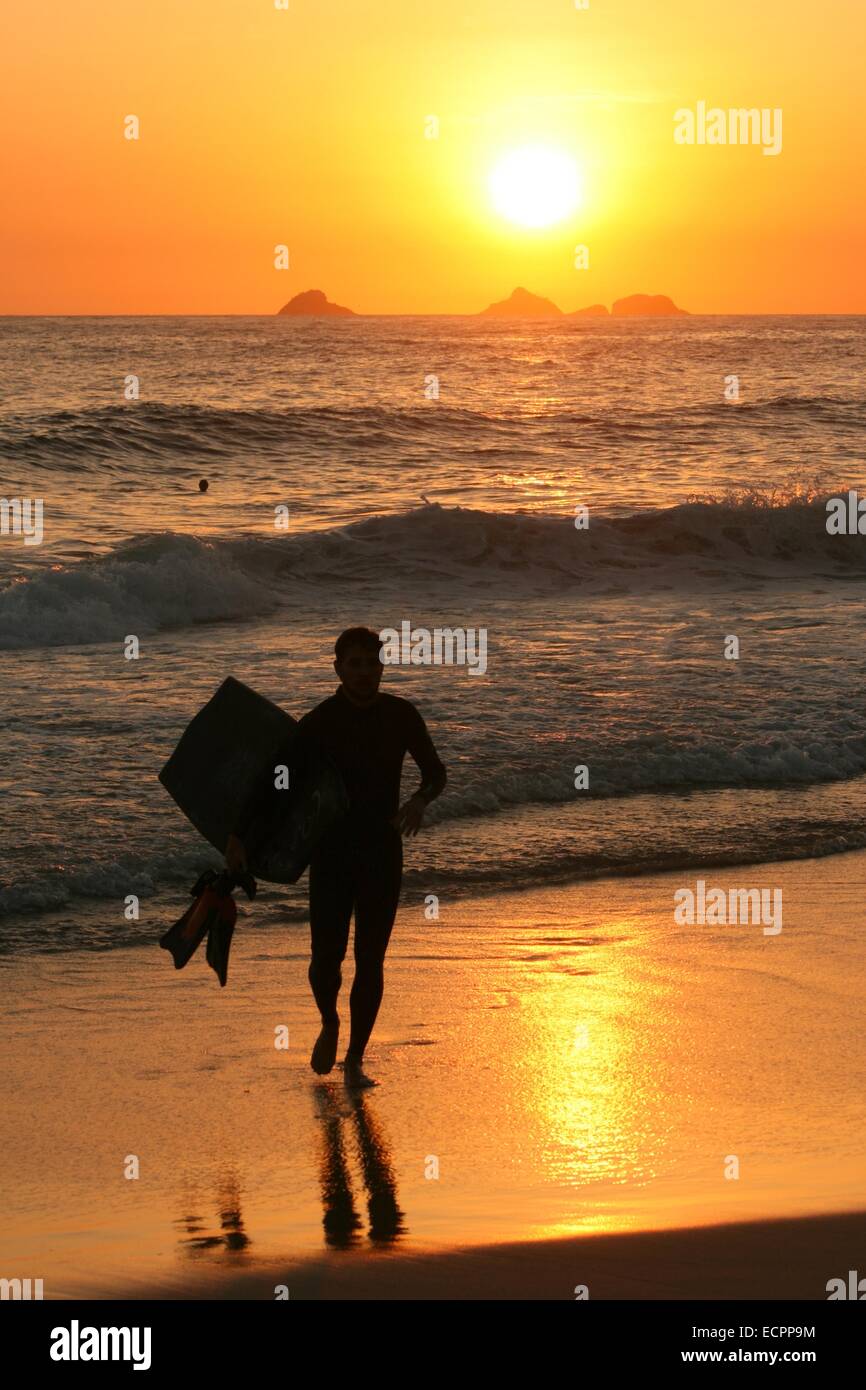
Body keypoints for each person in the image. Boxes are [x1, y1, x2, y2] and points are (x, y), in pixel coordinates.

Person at [225, 627, 447, 1089]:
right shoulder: (319, 723)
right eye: (355, 664)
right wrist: (239, 837)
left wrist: (420, 801)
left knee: (371, 959)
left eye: (372, 664)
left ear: (381, 668)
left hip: (382, 852)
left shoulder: (401, 715)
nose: (365, 673)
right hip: (330, 854)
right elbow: (276, 784)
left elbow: (435, 772)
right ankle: (329, 1019)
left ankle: (356, 1060)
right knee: (326, 961)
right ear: (338, 669)